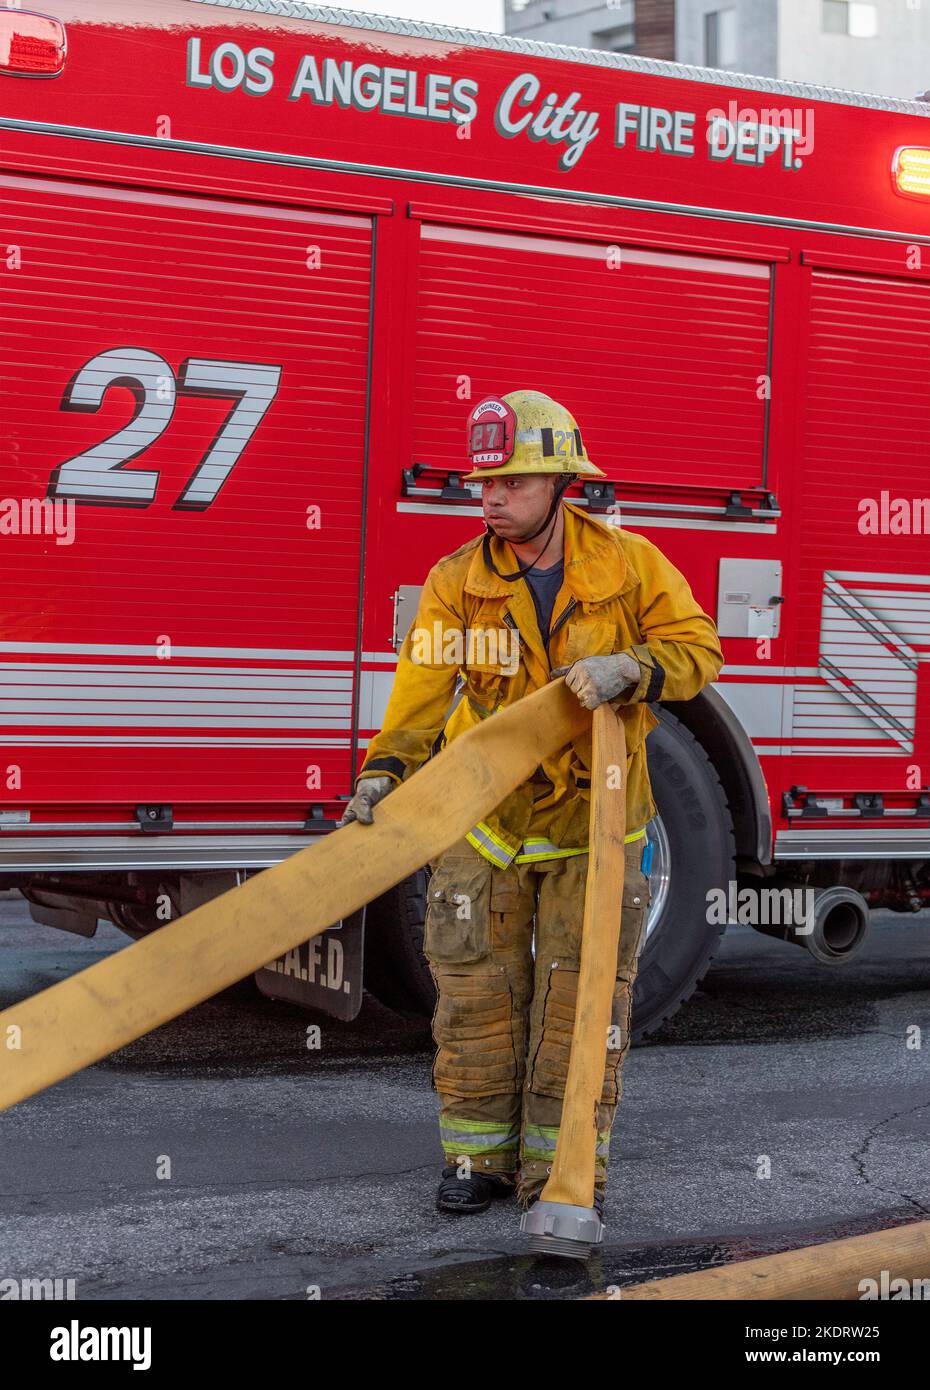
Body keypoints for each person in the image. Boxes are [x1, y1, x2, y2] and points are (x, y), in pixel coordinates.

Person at [340, 390, 723, 1217]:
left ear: (559, 482)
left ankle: (562, 1174)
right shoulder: (455, 583)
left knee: (576, 1009)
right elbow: (419, 697)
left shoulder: (630, 565)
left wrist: (635, 669)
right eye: (484, 481)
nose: (491, 496)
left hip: (594, 830)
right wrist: (384, 772)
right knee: (475, 1002)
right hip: (487, 828)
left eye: (512, 481)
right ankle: (476, 1164)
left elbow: (699, 649)